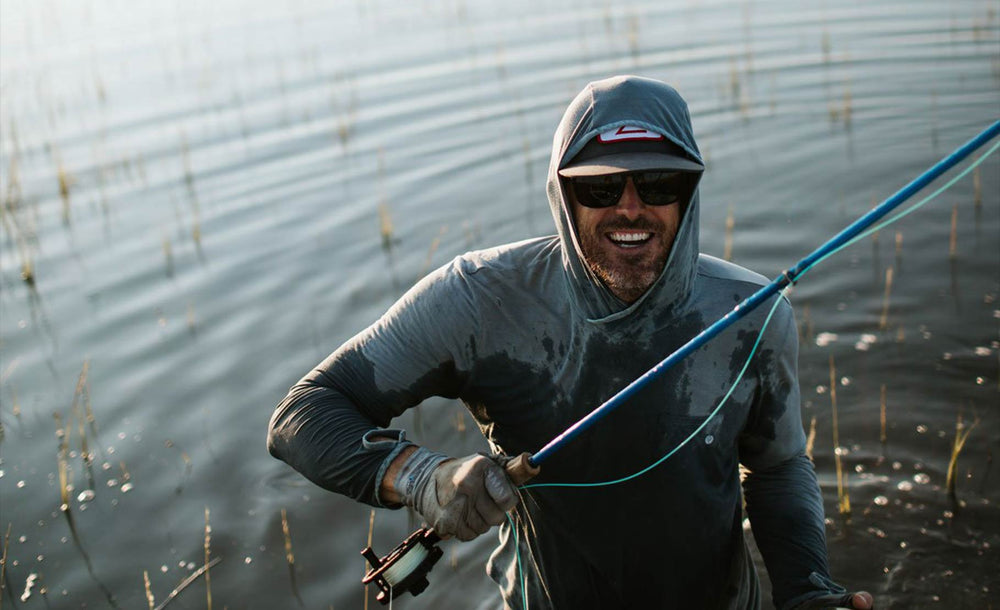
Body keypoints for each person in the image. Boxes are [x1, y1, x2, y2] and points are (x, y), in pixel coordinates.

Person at [268, 75, 874, 610]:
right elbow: (302, 415)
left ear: (689, 192)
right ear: (563, 194)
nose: (631, 210)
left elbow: (777, 467)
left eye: (658, 183)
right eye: (600, 188)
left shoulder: (754, 312)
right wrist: (422, 476)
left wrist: (807, 590)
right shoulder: (478, 299)